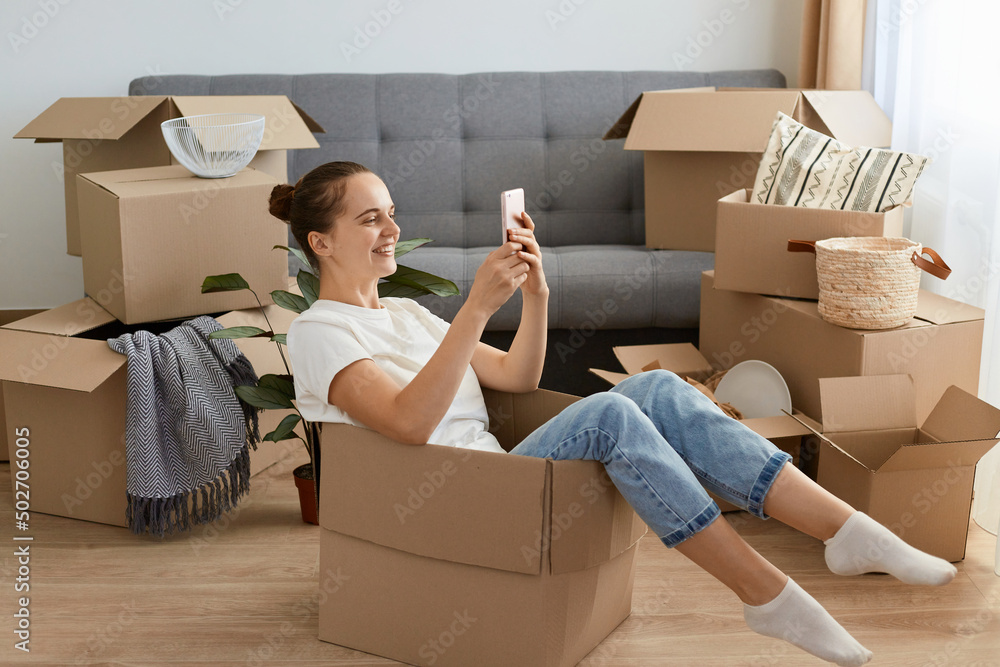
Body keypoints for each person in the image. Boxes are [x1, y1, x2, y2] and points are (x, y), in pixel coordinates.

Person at [278, 161, 957, 667]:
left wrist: (536, 292)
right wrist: (477, 308)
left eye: (392, 211)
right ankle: (767, 592)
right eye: (370, 218)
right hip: (453, 498)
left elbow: (518, 376)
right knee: (611, 415)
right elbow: (406, 424)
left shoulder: (406, 313)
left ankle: (848, 531)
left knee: (657, 391)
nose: (393, 229)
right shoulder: (318, 331)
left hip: (496, 477)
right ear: (322, 242)